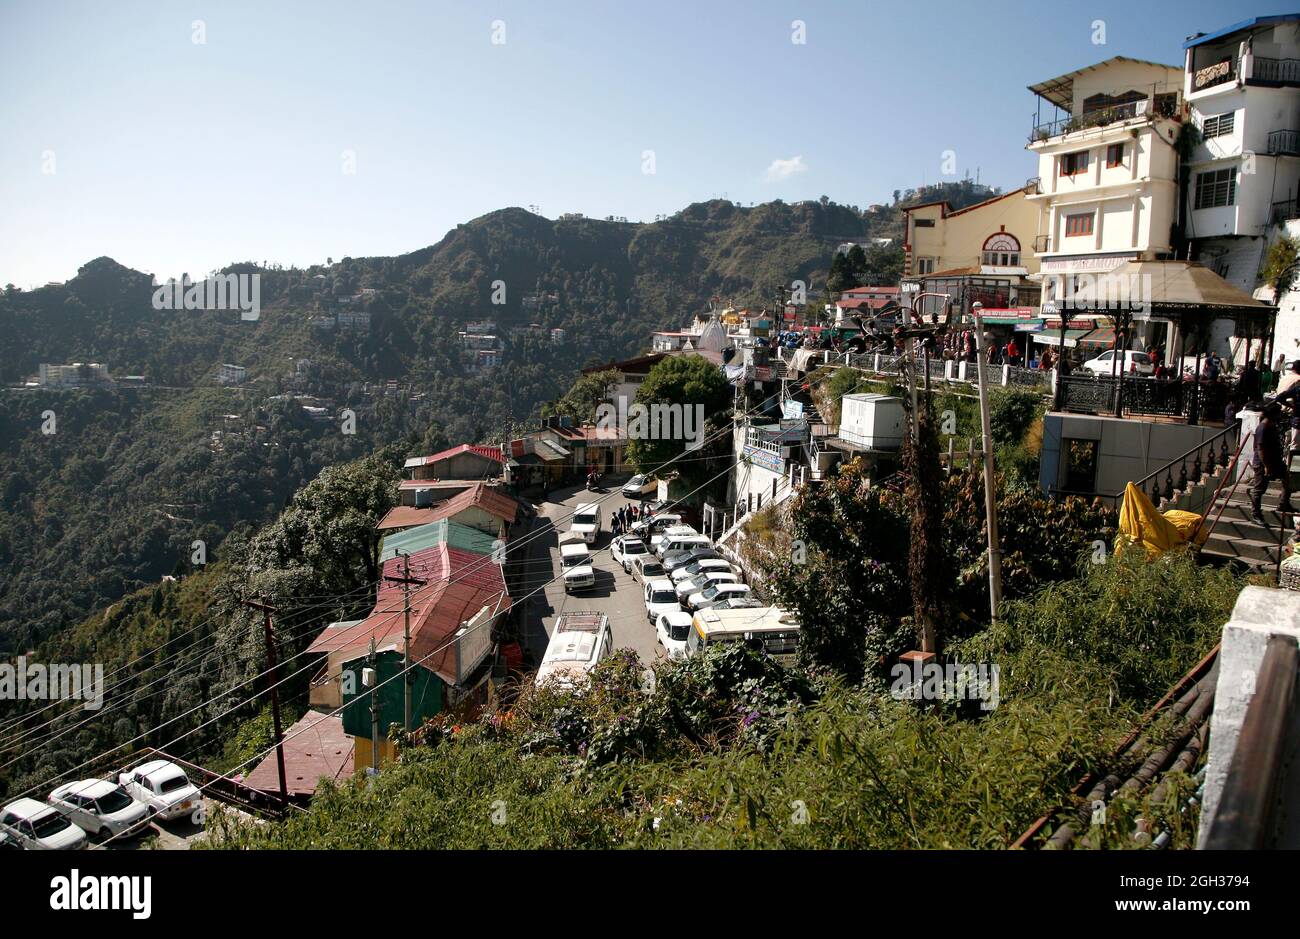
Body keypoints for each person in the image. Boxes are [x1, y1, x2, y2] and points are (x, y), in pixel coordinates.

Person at [1249, 402, 1294, 525]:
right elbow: (1261, 449)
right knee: (1259, 489)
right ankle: (1256, 513)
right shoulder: (1263, 427)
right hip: (1264, 463)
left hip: (1275, 461)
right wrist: (1267, 466)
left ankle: (1283, 503)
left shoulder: (1271, 426)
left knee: (1288, 478)